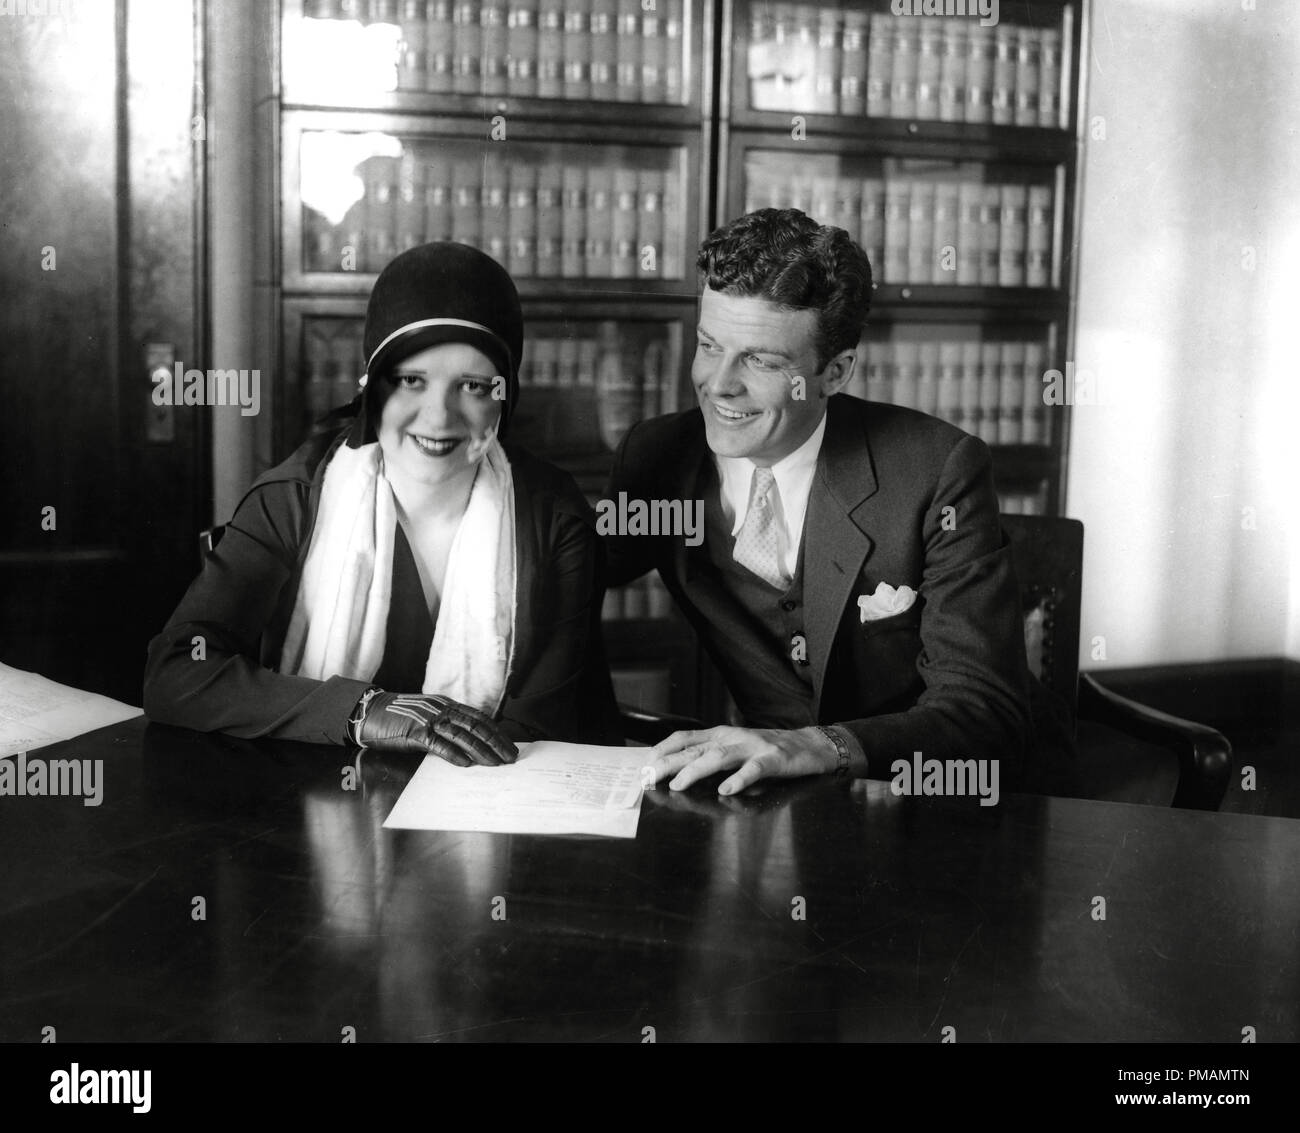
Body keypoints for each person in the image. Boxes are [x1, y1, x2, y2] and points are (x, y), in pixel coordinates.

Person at [605, 208, 1072, 796]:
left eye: (760, 360)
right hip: (777, 805)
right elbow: (557, 572)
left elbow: (984, 715)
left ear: (836, 371)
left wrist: (817, 746)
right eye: (708, 345)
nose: (719, 383)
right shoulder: (658, 459)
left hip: (952, 803)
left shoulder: (936, 470)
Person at [145, 242, 621, 763]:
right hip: (307, 809)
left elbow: (537, 734)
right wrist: (363, 710)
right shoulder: (297, 498)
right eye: (410, 381)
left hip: (482, 817)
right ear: (372, 388)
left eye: (473, 386)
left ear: (505, 401)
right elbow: (175, 674)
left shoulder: (554, 517)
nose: (438, 417)